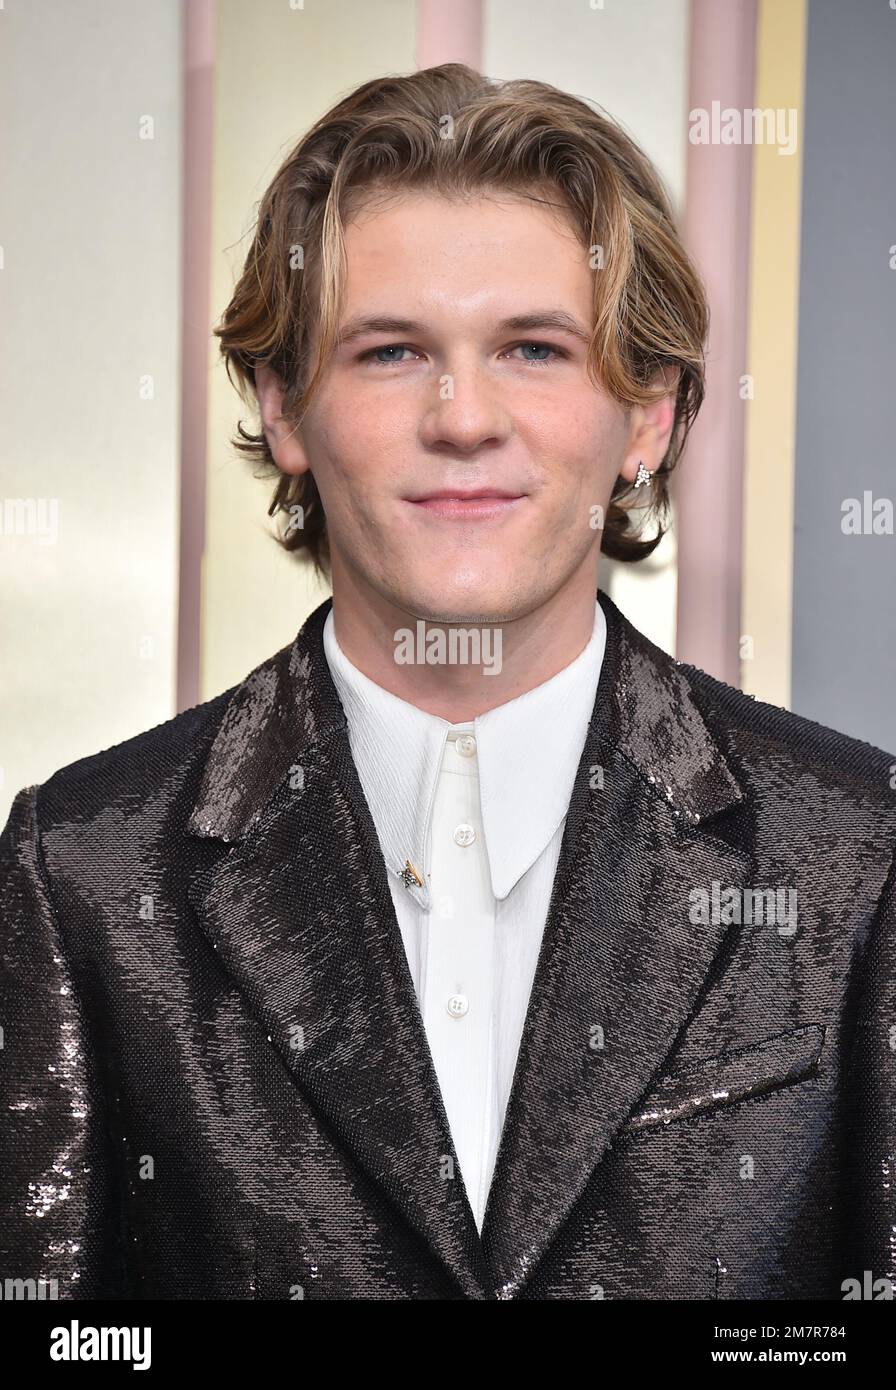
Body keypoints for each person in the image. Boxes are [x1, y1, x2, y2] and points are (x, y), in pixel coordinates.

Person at [1, 64, 893, 1302]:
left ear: (646, 415)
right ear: (285, 408)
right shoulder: (85, 867)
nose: (462, 415)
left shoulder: (857, 850)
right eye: (387, 351)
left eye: (532, 347)